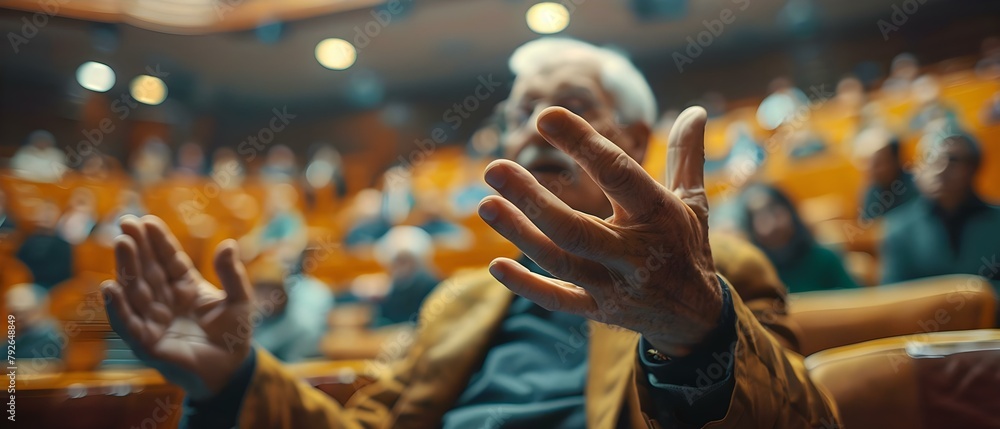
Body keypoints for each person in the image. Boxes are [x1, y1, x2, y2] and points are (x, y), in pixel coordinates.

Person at [102, 38, 838, 428]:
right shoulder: (460, 299)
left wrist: (696, 336)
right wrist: (236, 378)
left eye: (573, 106)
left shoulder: (715, 271)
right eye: (522, 113)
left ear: (636, 137)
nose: (538, 130)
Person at [882, 134, 1000, 289]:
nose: (940, 168)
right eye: (929, 158)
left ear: (974, 167)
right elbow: (894, 300)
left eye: (952, 160)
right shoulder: (898, 227)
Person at [740, 183, 859, 293]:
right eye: (761, 218)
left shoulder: (825, 259)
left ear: (791, 212)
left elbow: (858, 304)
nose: (772, 224)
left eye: (775, 212)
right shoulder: (756, 275)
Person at [248, 256, 334, 362]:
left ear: (283, 294)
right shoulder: (257, 318)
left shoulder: (300, 323)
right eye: (261, 293)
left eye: (272, 293)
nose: (266, 299)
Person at [371, 226, 441, 327]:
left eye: (405, 261)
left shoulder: (429, 285)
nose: (400, 267)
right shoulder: (393, 287)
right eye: (397, 261)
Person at [854, 128, 919, 221]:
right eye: (869, 164)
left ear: (896, 160)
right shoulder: (872, 192)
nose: (873, 170)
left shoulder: (915, 186)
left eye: (879, 164)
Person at [16, 201, 72, 289]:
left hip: (52, 289)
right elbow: (17, 264)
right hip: (24, 283)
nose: (46, 216)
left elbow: (60, 274)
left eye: (50, 213)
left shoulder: (63, 245)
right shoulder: (27, 240)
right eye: (43, 212)